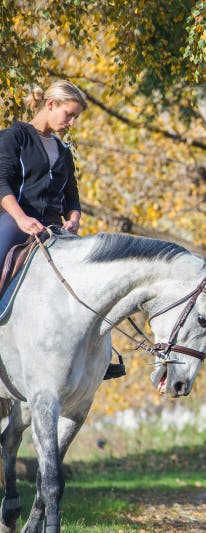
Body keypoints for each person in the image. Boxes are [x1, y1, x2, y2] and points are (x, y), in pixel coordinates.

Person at [0, 80, 124, 379]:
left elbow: (72, 197)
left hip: (54, 229)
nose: (70, 122)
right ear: (51, 104)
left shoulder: (63, 149)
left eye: (75, 118)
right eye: (68, 114)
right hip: (13, 219)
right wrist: (19, 219)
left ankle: (94, 353)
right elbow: (1, 182)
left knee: (89, 275)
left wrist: (74, 218)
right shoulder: (14, 137)